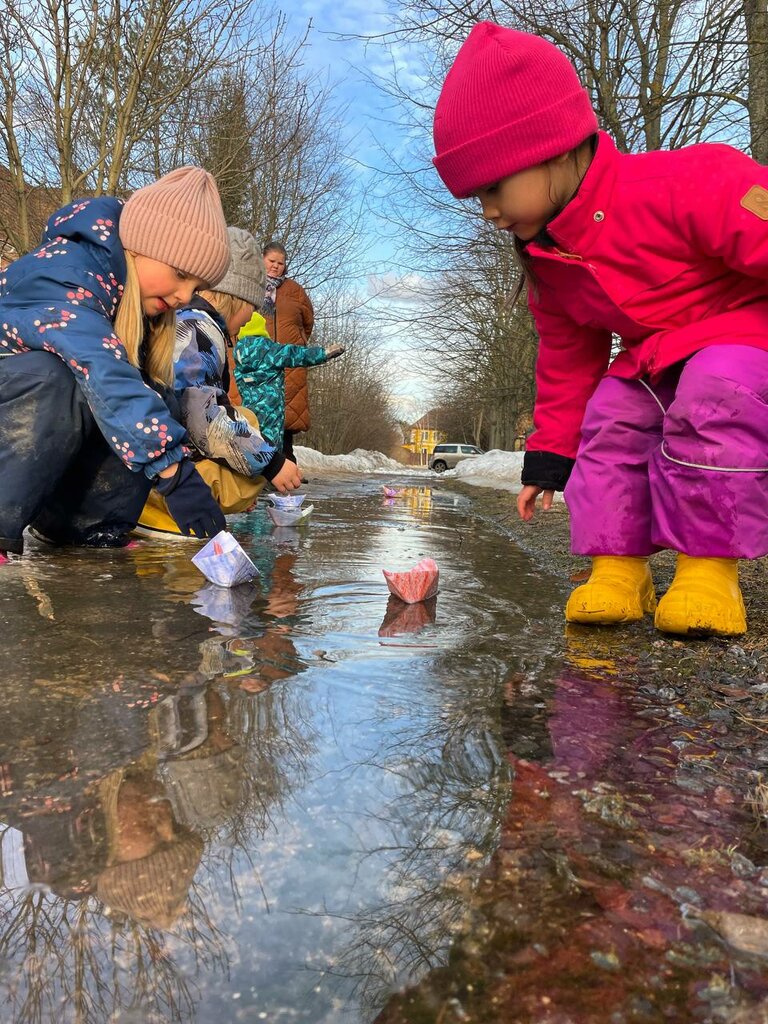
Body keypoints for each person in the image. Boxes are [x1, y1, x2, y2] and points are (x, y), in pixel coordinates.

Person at [432, 22, 768, 637]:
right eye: (474, 195)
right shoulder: (550, 259)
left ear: (555, 148)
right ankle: (618, 568)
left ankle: (706, 570)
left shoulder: (686, 184)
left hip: (746, 343)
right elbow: (566, 359)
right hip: (656, 359)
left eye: (493, 186)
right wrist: (549, 459)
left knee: (714, 392)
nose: (487, 210)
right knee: (610, 415)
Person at [0, 166, 232, 559]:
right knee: (62, 379)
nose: (183, 297)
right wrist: (173, 472)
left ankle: (88, 529)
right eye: (179, 275)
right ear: (140, 246)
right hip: (19, 399)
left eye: (196, 288)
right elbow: (102, 370)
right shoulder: (67, 272)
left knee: (156, 397)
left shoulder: (128, 300)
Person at [136, 227, 302, 538]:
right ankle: (162, 514)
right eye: (251, 309)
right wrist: (272, 463)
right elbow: (202, 416)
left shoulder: (180, 317)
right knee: (250, 435)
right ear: (238, 300)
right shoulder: (200, 332)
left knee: (244, 422)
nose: (248, 320)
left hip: (146, 453)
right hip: (153, 472)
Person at [233, 307, 345, 448]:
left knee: (251, 445)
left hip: (249, 411)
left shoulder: (238, 354)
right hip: (270, 410)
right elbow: (296, 354)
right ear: (261, 329)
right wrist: (323, 353)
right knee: (271, 448)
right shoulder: (269, 350)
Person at [260, 241, 316, 461]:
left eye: (280, 263)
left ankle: (286, 463)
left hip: (289, 361)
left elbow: (308, 321)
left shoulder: (295, 291)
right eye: (271, 261)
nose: (276, 266)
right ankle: (258, 467)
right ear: (262, 259)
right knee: (257, 412)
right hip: (257, 359)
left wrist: (297, 342)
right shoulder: (250, 285)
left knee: (287, 413)